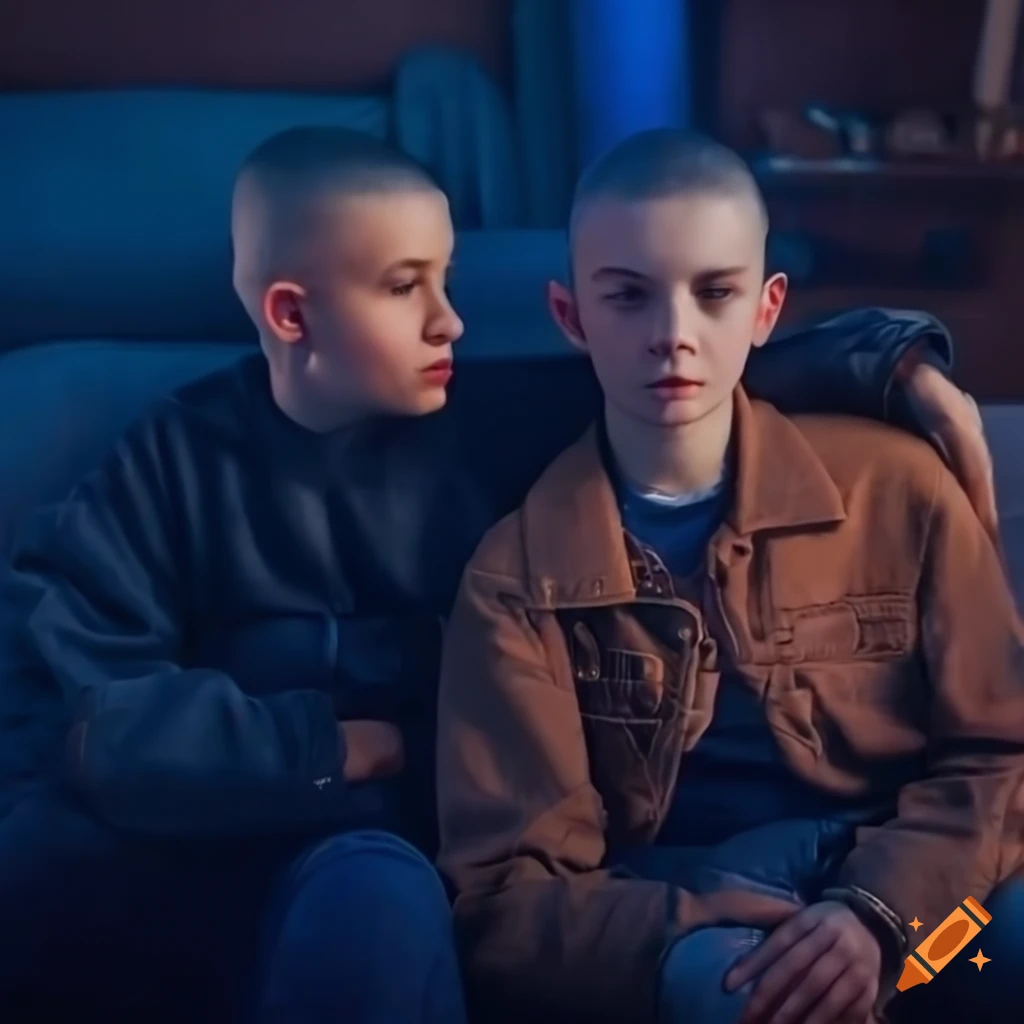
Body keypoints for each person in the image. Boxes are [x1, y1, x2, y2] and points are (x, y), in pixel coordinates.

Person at [0, 126, 999, 1022]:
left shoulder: (482, 420)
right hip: (215, 846)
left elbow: (674, 369)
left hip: (420, 856)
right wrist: (352, 744)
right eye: (406, 286)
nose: (453, 322)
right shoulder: (166, 465)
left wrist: (890, 360)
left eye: (448, 279)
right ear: (291, 313)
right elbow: (85, 713)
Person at [436, 128, 1024, 1024]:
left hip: (921, 902)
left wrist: (878, 919)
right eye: (628, 298)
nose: (674, 336)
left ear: (765, 306)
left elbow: (1003, 756)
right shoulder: (517, 575)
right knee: (749, 997)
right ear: (571, 317)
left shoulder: (896, 487)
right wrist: (685, 929)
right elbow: (506, 898)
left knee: (994, 938)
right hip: (692, 911)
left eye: (715, 294)